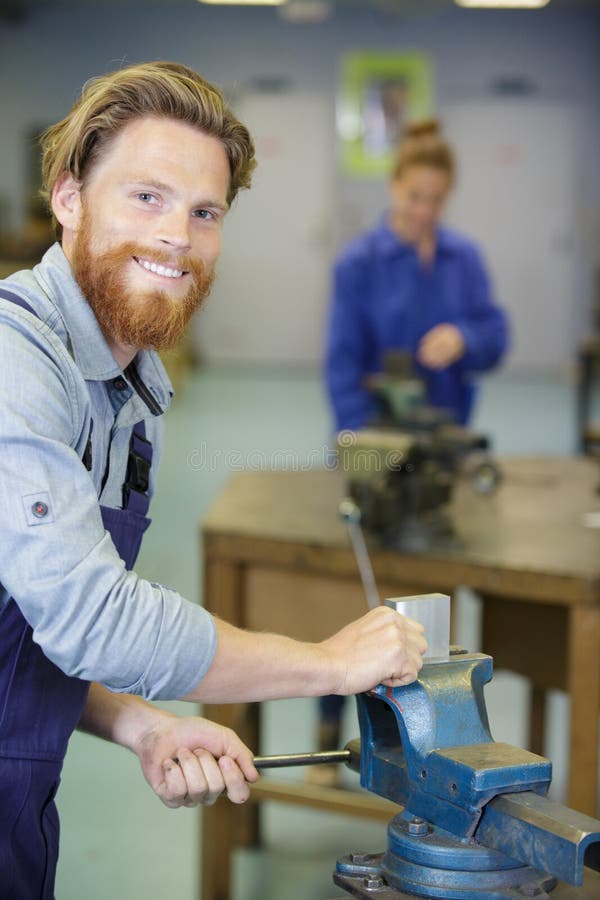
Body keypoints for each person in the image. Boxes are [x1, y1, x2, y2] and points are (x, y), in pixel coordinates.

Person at [0, 61, 428, 900]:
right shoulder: (17, 367)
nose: (176, 238)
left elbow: (32, 622)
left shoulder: (128, 387)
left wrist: (140, 722)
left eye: (205, 213)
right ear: (68, 198)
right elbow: (93, 619)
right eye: (146, 197)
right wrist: (326, 665)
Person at [316, 119, 509, 783]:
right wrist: (361, 448)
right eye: (414, 195)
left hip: (440, 450)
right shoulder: (359, 265)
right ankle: (327, 727)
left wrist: (465, 337)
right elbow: (341, 366)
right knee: (357, 596)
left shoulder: (464, 259)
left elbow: (495, 333)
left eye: (436, 199)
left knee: (428, 602)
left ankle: (426, 739)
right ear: (394, 184)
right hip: (373, 446)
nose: (423, 210)